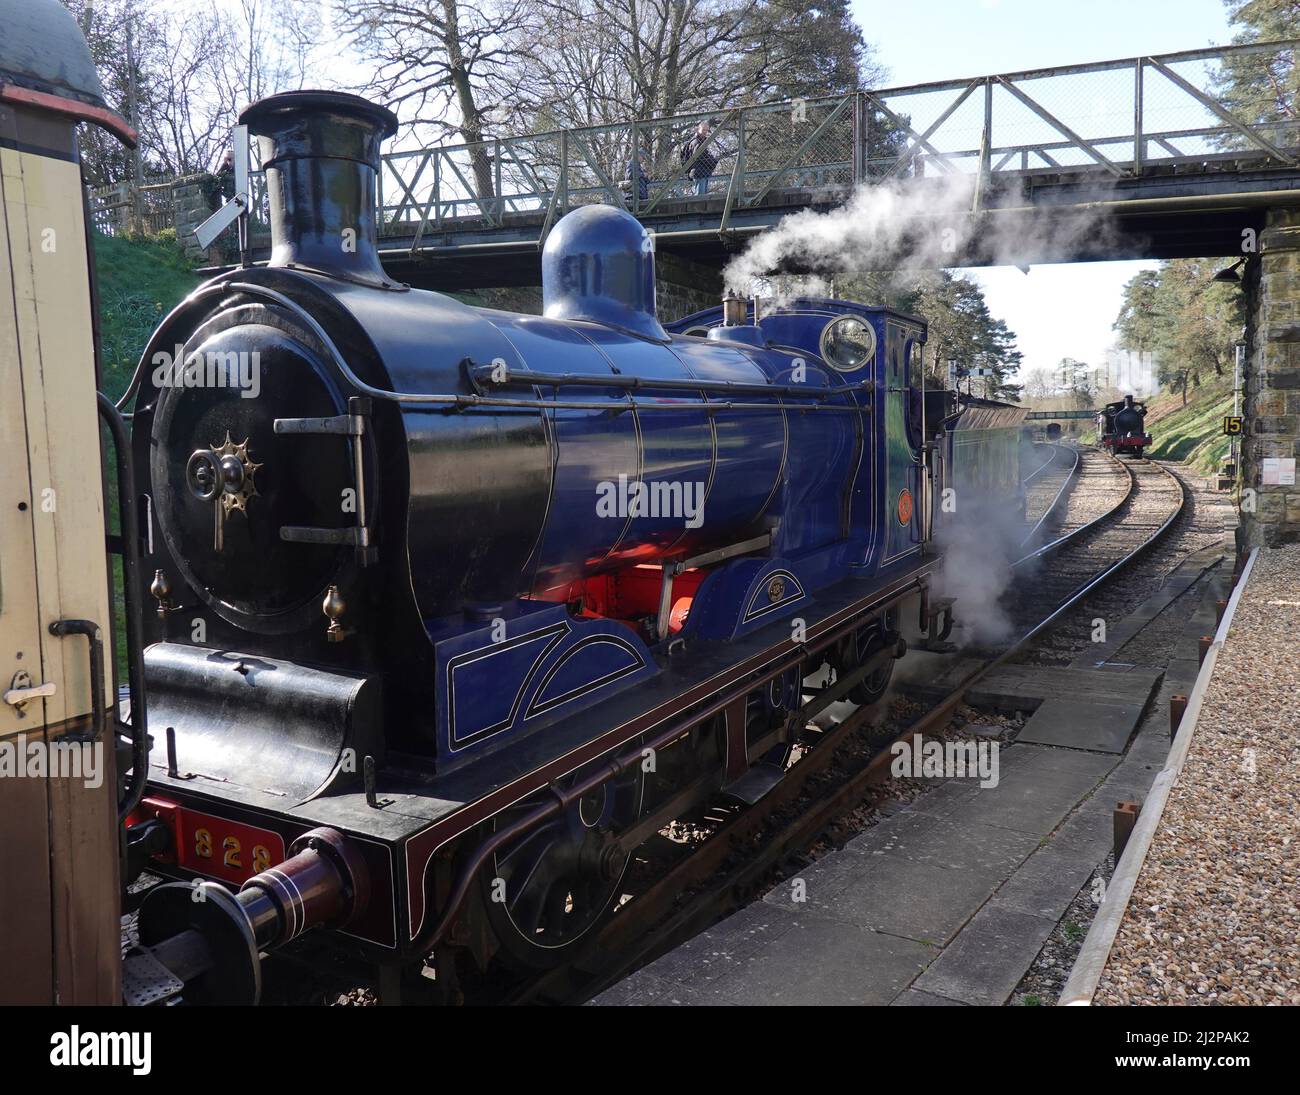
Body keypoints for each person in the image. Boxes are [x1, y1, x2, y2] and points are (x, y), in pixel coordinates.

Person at [680, 120, 717, 196]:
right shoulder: (696, 142)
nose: (705, 132)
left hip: (701, 172)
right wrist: (713, 162)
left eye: (707, 130)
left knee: (701, 197)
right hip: (699, 173)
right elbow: (700, 157)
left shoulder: (700, 141)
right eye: (703, 130)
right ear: (698, 129)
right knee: (699, 198)